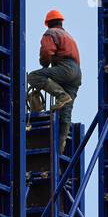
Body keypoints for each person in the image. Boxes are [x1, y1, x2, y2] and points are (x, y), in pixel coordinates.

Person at [27, 9, 81, 153]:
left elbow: (46, 51)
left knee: (33, 76)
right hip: (76, 73)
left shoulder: (51, 33)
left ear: (48, 23)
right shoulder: (68, 36)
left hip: (65, 68)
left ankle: (61, 95)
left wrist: (44, 64)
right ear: (60, 22)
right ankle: (60, 147)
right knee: (66, 112)